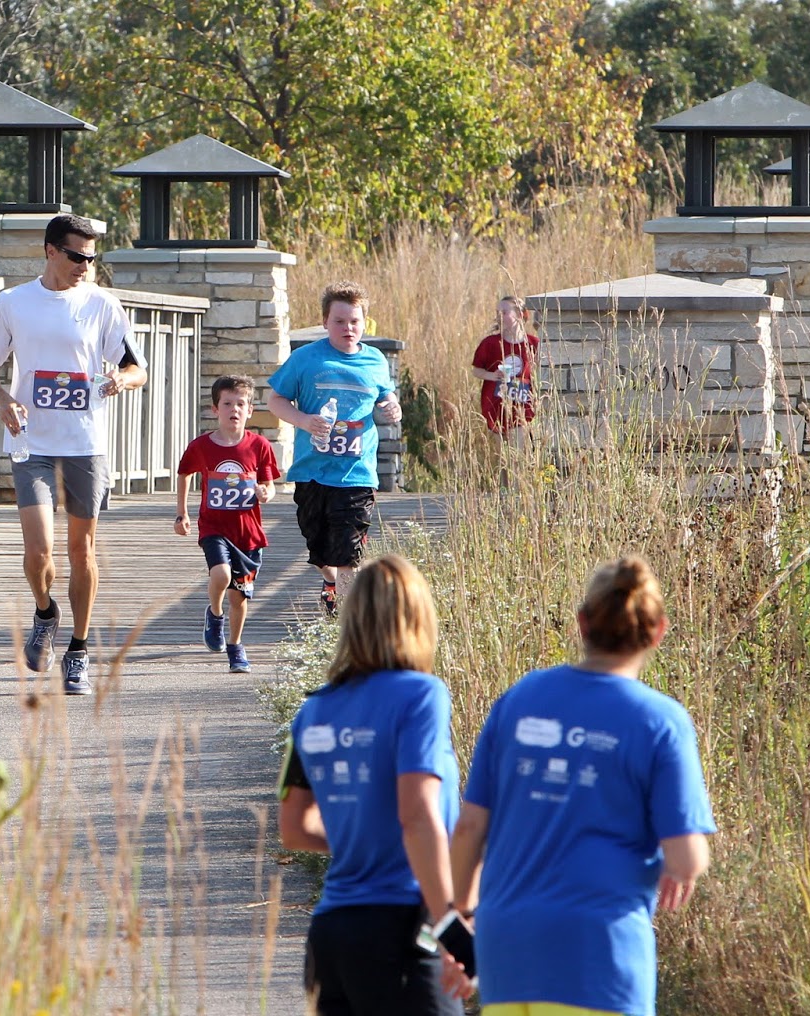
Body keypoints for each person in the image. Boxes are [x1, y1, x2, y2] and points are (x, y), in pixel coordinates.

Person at [445, 555, 715, 1016]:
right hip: (599, 958)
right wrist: (684, 866)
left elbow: (469, 827)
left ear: (582, 623)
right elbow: (686, 856)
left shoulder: (521, 699)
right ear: (658, 631)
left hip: (508, 950)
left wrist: (458, 929)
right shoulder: (659, 721)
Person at [277, 554, 464, 1016]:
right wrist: (452, 929)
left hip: (332, 938)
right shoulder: (422, 695)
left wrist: (362, 837)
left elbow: (294, 828)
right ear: (419, 619)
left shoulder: (314, 711)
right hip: (405, 930)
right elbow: (418, 817)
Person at [0, 213, 148, 696]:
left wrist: (120, 379)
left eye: (92, 259)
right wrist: (5, 403)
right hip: (30, 440)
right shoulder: (13, 303)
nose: (85, 266)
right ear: (51, 251)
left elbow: (138, 368)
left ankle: (78, 649)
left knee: (82, 551)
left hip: (84, 443)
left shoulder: (102, 304)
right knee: (38, 553)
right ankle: (46, 611)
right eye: (77, 256)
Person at [267, 282, 401, 616]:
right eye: (340, 321)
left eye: (354, 321)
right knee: (319, 548)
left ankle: (345, 619)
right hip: (312, 470)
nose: (348, 328)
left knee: (348, 554)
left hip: (356, 473)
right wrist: (304, 420)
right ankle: (329, 582)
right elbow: (275, 400)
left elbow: (386, 394)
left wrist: (391, 406)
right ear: (326, 322)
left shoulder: (375, 361)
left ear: (364, 323)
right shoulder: (305, 359)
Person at [173, 374, 280, 674]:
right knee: (219, 575)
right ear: (214, 409)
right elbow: (184, 474)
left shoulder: (259, 446)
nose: (234, 409)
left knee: (239, 596)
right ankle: (215, 614)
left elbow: (269, 484)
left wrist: (265, 493)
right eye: (227, 403)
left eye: (240, 404)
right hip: (214, 527)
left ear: (250, 410)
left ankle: (235, 646)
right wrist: (183, 513)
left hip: (247, 533)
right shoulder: (203, 446)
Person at [470, 296, 538, 444]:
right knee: (502, 457)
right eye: (497, 312)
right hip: (495, 406)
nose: (499, 316)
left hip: (523, 407)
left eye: (505, 312)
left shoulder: (533, 344)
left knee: (518, 452)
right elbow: (476, 370)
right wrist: (492, 375)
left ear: (520, 315)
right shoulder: (490, 343)